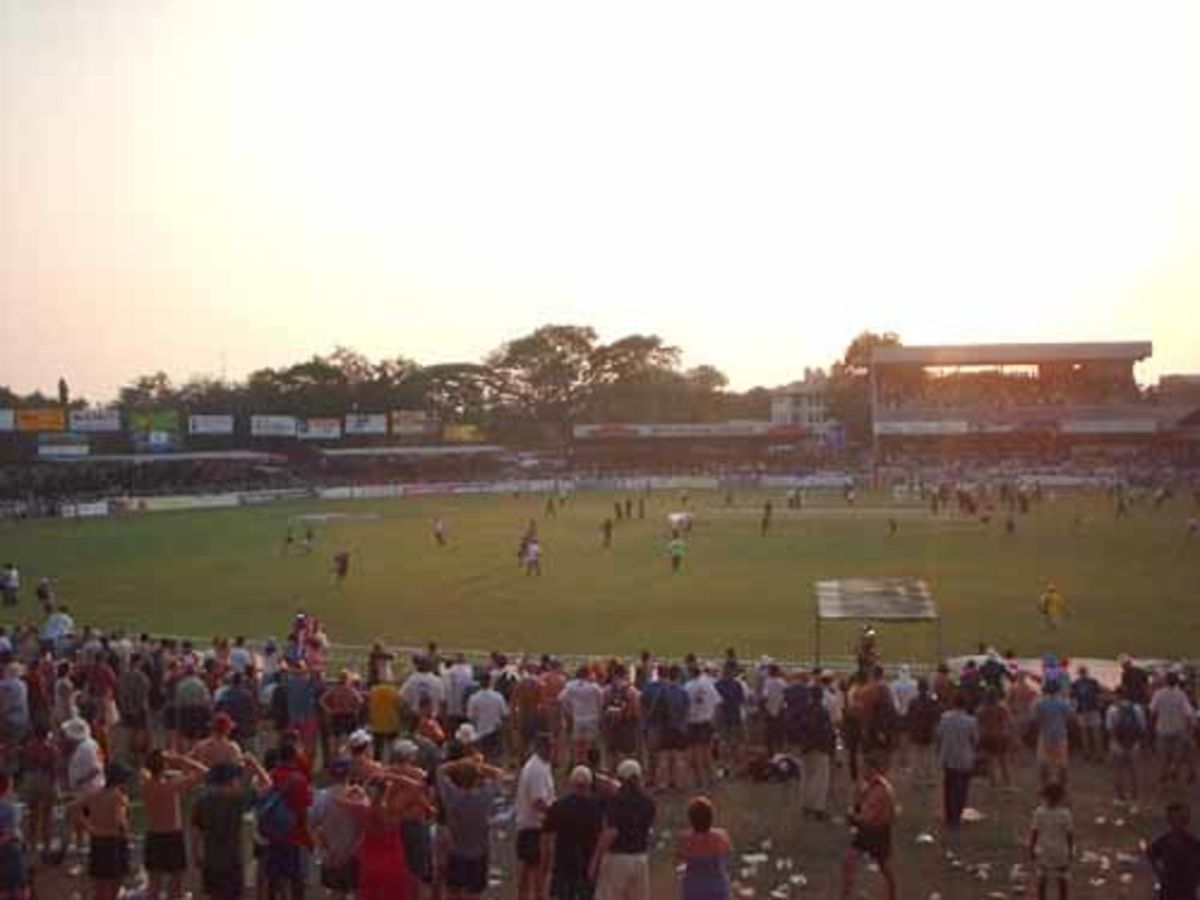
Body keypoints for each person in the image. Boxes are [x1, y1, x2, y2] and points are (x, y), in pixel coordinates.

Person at [190, 758, 271, 900]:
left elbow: (196, 832)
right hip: (233, 858)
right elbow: (268, 785)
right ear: (232, 779)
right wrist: (254, 764)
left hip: (211, 858)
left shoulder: (202, 800)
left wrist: (196, 853)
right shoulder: (238, 798)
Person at [141, 749, 210, 900]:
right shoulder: (172, 786)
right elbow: (205, 772)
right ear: (164, 766)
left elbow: (147, 770)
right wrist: (181, 759)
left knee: (154, 884)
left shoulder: (146, 783)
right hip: (172, 835)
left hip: (153, 835)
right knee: (176, 884)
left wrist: (164, 764)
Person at [438, 755, 505, 900]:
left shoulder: (453, 796)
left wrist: (460, 763)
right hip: (479, 854)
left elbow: (440, 771)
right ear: (476, 779)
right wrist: (479, 766)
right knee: (474, 895)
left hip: (456, 852)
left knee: (453, 894)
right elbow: (499, 774)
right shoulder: (485, 797)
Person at [591, 759, 655, 900]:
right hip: (640, 858)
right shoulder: (649, 803)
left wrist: (595, 860)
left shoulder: (616, 801)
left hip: (618, 857)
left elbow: (611, 832)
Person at [541, 766, 603, 900]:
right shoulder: (596, 808)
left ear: (571, 784)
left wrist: (545, 866)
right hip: (586, 865)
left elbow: (546, 838)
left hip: (563, 865)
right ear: (589, 785)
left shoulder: (558, 806)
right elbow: (600, 838)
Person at [841, 754, 896, 900]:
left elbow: (868, 817)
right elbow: (860, 807)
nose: (862, 772)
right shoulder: (869, 786)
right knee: (849, 860)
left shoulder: (881, 790)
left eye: (865, 769)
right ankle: (846, 895)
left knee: (883, 865)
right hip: (868, 830)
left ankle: (892, 894)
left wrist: (852, 817)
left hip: (877, 833)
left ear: (874, 769)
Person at [77, 763, 133, 900]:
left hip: (97, 841)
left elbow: (73, 809)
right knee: (113, 887)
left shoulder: (95, 794)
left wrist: (90, 828)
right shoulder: (118, 796)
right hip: (114, 842)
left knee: (99, 887)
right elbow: (120, 819)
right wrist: (127, 833)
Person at [516, 735, 556, 900]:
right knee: (538, 868)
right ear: (543, 748)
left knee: (529, 867)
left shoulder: (542, 766)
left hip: (532, 825)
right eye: (552, 748)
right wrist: (557, 815)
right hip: (534, 826)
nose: (554, 752)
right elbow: (538, 801)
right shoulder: (536, 769)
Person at [936, 693, 978, 838]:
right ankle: (957, 815)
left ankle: (949, 816)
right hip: (965, 759)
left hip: (948, 758)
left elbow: (939, 736)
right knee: (962, 789)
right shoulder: (971, 721)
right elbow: (975, 740)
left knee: (949, 787)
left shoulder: (945, 718)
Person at [677, 796, 731, 900]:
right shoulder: (721, 836)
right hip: (716, 885)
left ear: (691, 818)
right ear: (711, 816)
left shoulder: (685, 839)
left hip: (693, 886)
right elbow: (728, 853)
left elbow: (679, 857)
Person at [1150, 671, 1196, 787]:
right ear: (1176, 682)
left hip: (1162, 728)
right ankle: (1173, 774)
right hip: (1178, 729)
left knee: (1163, 756)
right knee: (1176, 755)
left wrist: (1152, 724)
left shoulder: (1158, 694)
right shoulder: (1181, 694)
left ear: (1165, 681)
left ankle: (1163, 778)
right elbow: (1188, 713)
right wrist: (1190, 728)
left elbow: (1152, 710)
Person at [1146, 803, 1200, 900]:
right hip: (1169, 889)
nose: (1176, 823)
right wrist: (1160, 874)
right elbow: (1150, 853)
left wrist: (1194, 879)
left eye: (1179, 820)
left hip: (1187, 890)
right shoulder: (1164, 841)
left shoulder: (1192, 843)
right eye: (1173, 820)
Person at [1029, 783, 1073, 900]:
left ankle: (1041, 897)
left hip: (1044, 850)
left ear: (1045, 797)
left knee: (1042, 878)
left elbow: (1034, 833)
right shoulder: (1065, 814)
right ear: (1061, 798)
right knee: (1062, 878)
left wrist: (1032, 849)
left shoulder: (1039, 812)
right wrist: (1070, 850)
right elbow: (1069, 835)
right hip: (1061, 851)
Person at [1105, 688, 1146, 801]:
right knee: (1134, 772)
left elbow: (1109, 729)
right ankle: (1135, 796)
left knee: (1118, 772)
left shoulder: (1112, 709)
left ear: (1117, 696)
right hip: (1134, 744)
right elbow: (1142, 727)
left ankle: (1120, 797)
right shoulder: (1137, 708)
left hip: (1117, 745)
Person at [1032, 681, 1074, 788]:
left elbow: (1035, 719)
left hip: (1045, 734)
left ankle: (1044, 785)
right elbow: (1070, 717)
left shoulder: (1039, 702)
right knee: (1062, 762)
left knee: (1043, 762)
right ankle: (1063, 784)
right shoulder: (1063, 702)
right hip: (1060, 734)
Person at [1068, 666, 1102, 763]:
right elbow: (1099, 695)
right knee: (1096, 733)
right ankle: (1098, 754)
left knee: (1084, 733)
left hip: (1082, 711)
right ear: (1087, 672)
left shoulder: (1075, 684)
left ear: (1079, 673)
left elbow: (1072, 698)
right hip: (1093, 710)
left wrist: (1073, 710)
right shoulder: (1093, 682)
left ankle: (1087, 753)